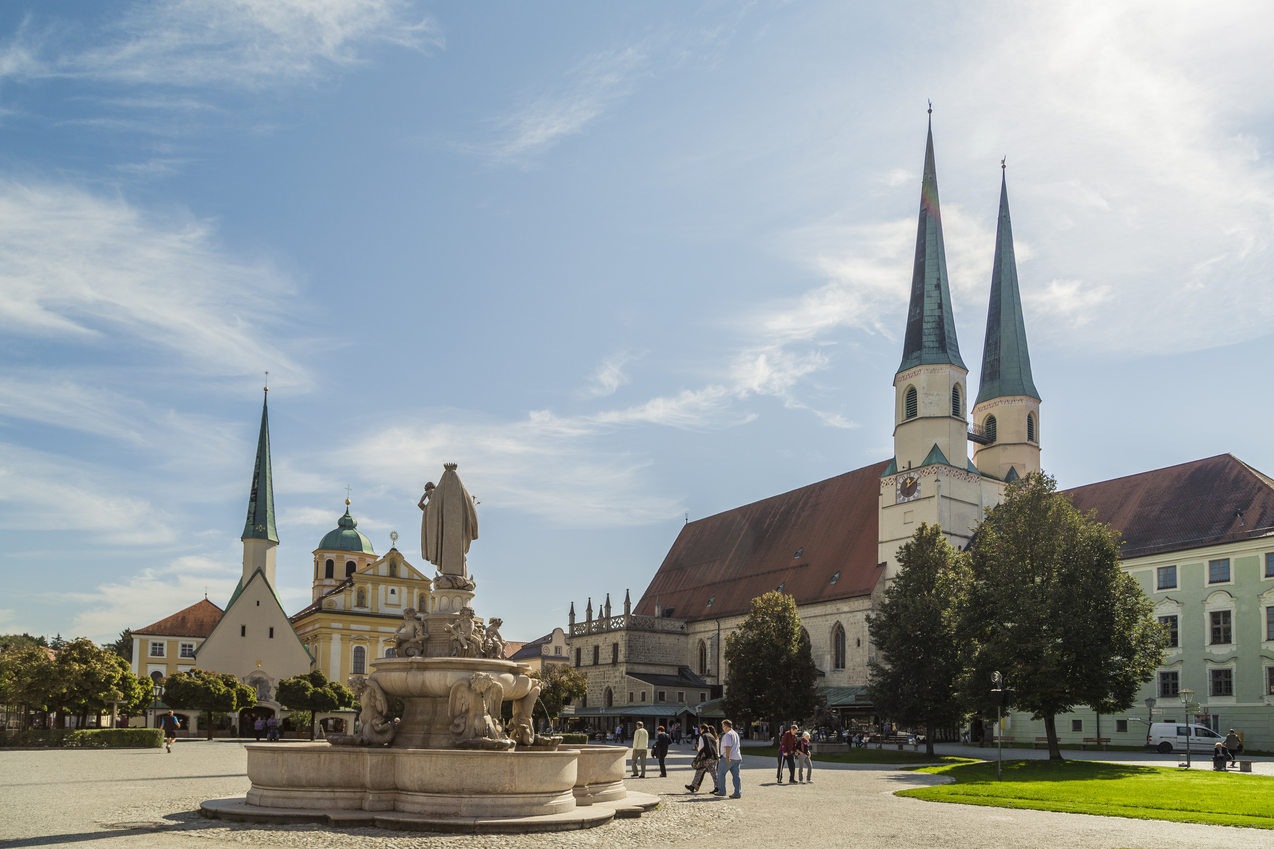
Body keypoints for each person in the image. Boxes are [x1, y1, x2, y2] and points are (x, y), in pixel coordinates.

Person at [686, 724, 718, 793]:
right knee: (713, 773)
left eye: (700, 729)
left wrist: (697, 749)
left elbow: (701, 747)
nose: (700, 731)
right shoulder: (712, 736)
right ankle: (717, 786)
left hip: (706, 757)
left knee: (699, 771)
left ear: (703, 729)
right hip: (714, 756)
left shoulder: (703, 736)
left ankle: (693, 786)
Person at [715, 720, 742, 799]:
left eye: (723, 726)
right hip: (737, 757)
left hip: (729, 757)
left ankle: (722, 791)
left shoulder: (727, 735)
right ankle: (737, 792)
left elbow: (728, 746)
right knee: (736, 776)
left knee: (721, 773)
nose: (722, 728)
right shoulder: (735, 734)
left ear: (726, 726)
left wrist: (727, 757)